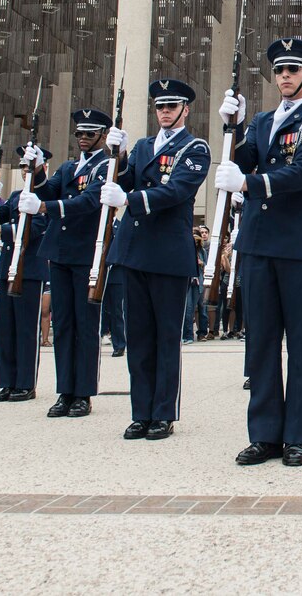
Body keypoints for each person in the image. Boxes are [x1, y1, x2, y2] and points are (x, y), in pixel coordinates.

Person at [216, 38, 302, 467]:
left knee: (300, 344)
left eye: (293, 69)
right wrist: (231, 125)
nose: (285, 76)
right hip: (259, 243)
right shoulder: (262, 122)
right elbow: (241, 160)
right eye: (279, 70)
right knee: (262, 342)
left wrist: (250, 184)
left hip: (301, 247)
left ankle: (295, 436)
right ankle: (264, 434)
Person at [100, 78, 210, 440]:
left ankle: (163, 413)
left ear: (185, 109)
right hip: (134, 250)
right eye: (160, 106)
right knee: (139, 337)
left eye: (171, 106)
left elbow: (177, 190)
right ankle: (140, 411)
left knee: (166, 337)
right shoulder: (145, 146)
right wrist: (114, 154)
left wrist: (129, 200)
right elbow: (124, 179)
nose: (164, 112)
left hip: (167, 253)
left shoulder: (195, 147)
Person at [17, 107, 112, 419]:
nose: (82, 139)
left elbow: (88, 202)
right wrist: (38, 170)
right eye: (79, 134)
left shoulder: (106, 166)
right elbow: (49, 188)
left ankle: (83, 393)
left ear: (102, 135)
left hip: (86, 253)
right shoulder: (69, 166)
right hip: (59, 252)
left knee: (85, 325)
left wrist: (45, 206)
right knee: (64, 325)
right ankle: (65, 391)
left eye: (89, 134)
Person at [0, 152, 51, 401]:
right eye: (22, 166)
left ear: (43, 167)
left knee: (25, 328)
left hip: (29, 269)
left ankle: (25, 383)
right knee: (5, 327)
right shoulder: (14, 196)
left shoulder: (44, 196)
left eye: (29, 166)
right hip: (8, 268)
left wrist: (2, 230)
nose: (25, 170)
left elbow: (37, 228)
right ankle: (7, 381)